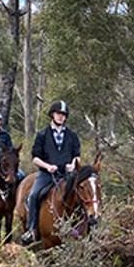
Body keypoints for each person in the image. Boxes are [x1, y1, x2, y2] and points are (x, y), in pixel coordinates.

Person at [21, 100, 81, 245]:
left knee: (83, 194)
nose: (61, 117)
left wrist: (73, 165)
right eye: (58, 114)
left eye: (63, 115)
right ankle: (32, 229)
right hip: (47, 174)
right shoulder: (42, 135)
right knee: (33, 195)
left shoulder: (72, 135)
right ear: (52, 115)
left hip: (66, 175)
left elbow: (77, 155)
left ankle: (85, 228)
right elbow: (35, 158)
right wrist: (47, 166)